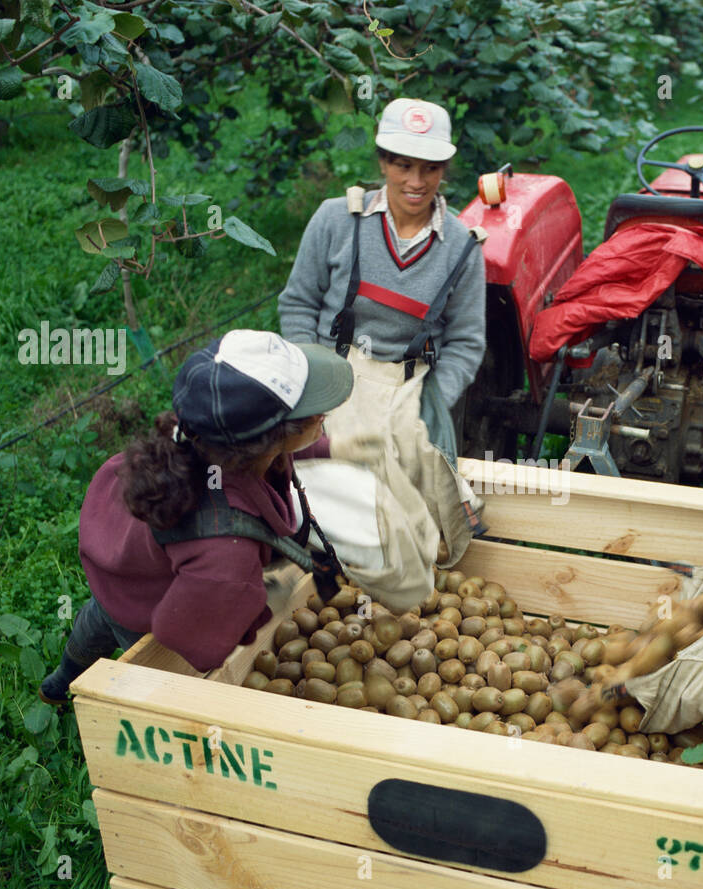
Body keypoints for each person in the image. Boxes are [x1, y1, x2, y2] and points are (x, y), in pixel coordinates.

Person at [38, 330, 353, 704]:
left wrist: (337, 446)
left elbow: (282, 446)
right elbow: (188, 636)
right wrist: (259, 607)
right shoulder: (224, 549)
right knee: (135, 656)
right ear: (271, 440)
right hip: (142, 598)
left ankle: (59, 681)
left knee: (98, 615)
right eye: (316, 416)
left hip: (116, 555)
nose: (323, 417)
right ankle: (85, 694)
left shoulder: (209, 432)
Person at [277, 97, 487, 566]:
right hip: (333, 375)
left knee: (432, 522)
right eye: (403, 165)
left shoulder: (461, 247)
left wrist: (428, 404)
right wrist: (310, 387)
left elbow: (467, 342)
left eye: (429, 169)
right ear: (383, 162)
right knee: (320, 499)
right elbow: (298, 302)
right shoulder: (336, 219)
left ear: (444, 170)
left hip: (407, 390)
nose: (415, 182)